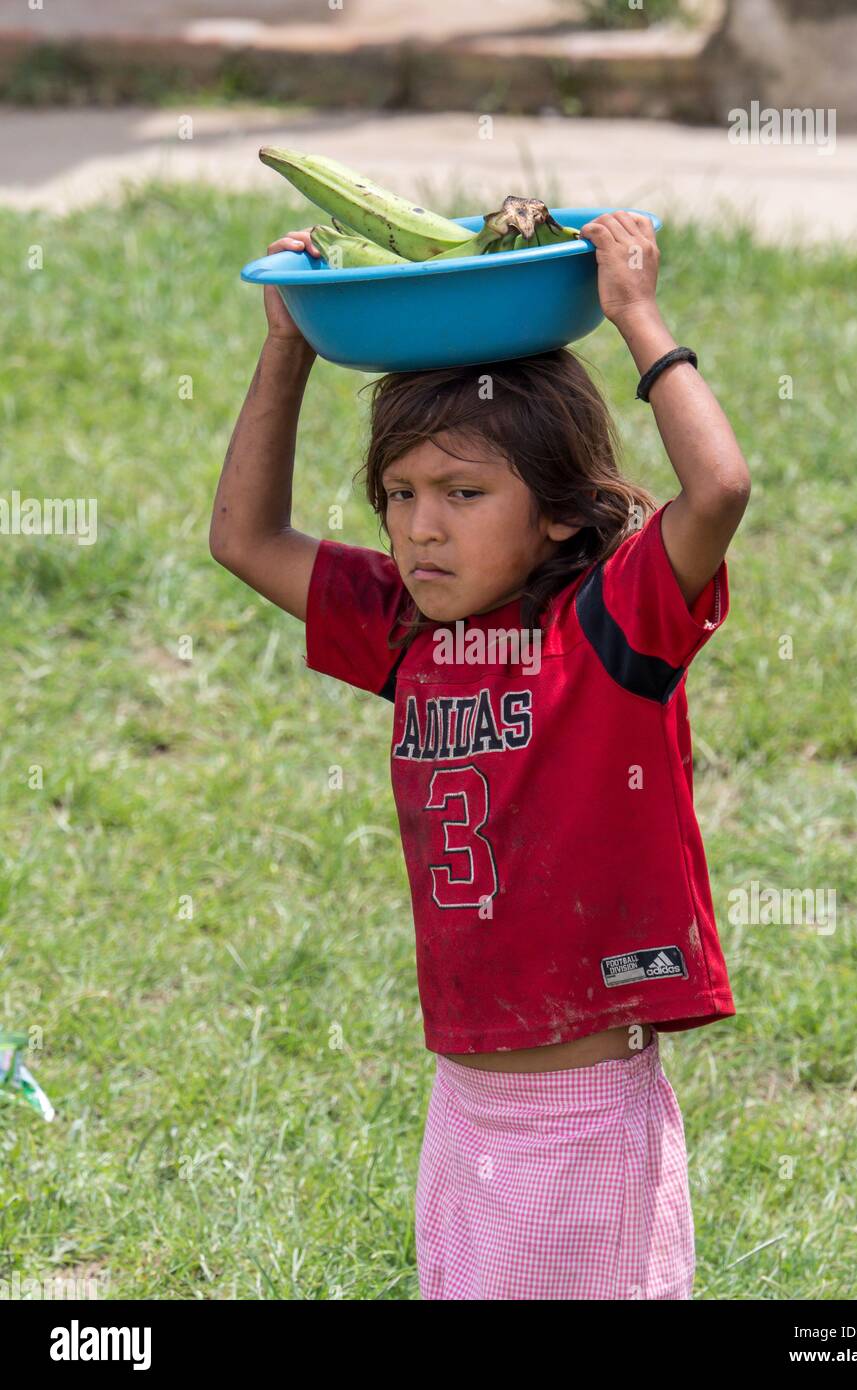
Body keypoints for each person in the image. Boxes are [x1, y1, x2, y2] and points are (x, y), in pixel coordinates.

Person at [210, 211, 750, 1299]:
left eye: (463, 496)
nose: (420, 530)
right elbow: (245, 539)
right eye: (399, 496)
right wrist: (286, 346)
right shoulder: (403, 627)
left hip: (583, 1118)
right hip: (460, 1101)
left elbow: (720, 490)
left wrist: (637, 317)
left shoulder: (612, 623)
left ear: (555, 514)